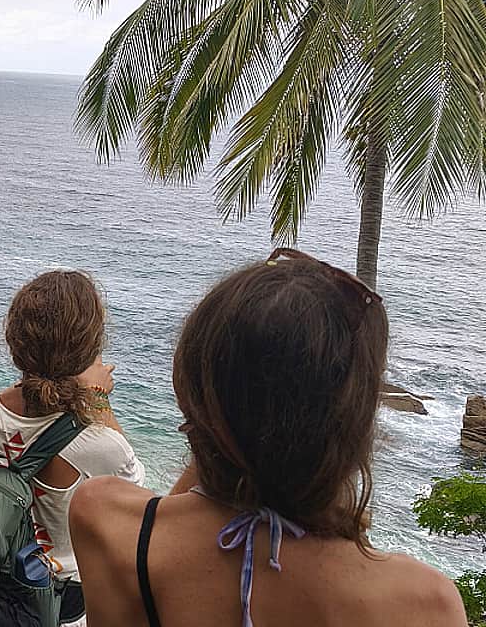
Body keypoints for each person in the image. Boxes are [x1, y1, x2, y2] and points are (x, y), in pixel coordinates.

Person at [68, 248, 467, 627]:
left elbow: (176, 515)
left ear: (192, 390)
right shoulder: (423, 603)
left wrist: (221, 424)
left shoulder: (110, 523)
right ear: (353, 421)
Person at [0, 269, 146, 626]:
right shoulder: (100, 445)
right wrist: (99, 400)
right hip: (57, 604)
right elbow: (135, 498)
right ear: (90, 350)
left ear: (14, 341)